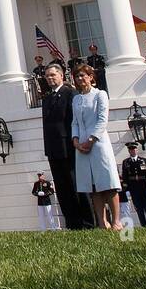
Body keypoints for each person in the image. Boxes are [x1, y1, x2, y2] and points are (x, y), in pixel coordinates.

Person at [70, 65, 120, 230]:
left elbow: (102, 119)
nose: (79, 79)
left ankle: (116, 222)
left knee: (107, 182)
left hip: (98, 144)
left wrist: (91, 140)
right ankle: (101, 222)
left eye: (83, 75)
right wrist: (76, 141)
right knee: (92, 186)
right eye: (77, 76)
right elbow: (75, 122)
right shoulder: (76, 99)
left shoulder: (100, 94)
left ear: (91, 77)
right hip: (81, 146)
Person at [39, 63, 87, 230]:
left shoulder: (70, 93)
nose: (50, 78)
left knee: (75, 185)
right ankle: (72, 223)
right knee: (62, 188)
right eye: (47, 76)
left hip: (68, 146)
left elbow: (74, 120)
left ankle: (86, 222)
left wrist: (76, 140)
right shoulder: (47, 98)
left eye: (53, 75)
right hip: (53, 149)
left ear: (61, 76)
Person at [119, 141, 146, 227]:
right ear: (129, 151)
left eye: (134, 149)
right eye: (130, 149)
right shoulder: (126, 162)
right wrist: (126, 189)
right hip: (134, 188)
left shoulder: (144, 160)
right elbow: (125, 176)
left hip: (145, 186)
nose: (132, 151)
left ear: (137, 150)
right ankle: (143, 225)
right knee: (139, 208)